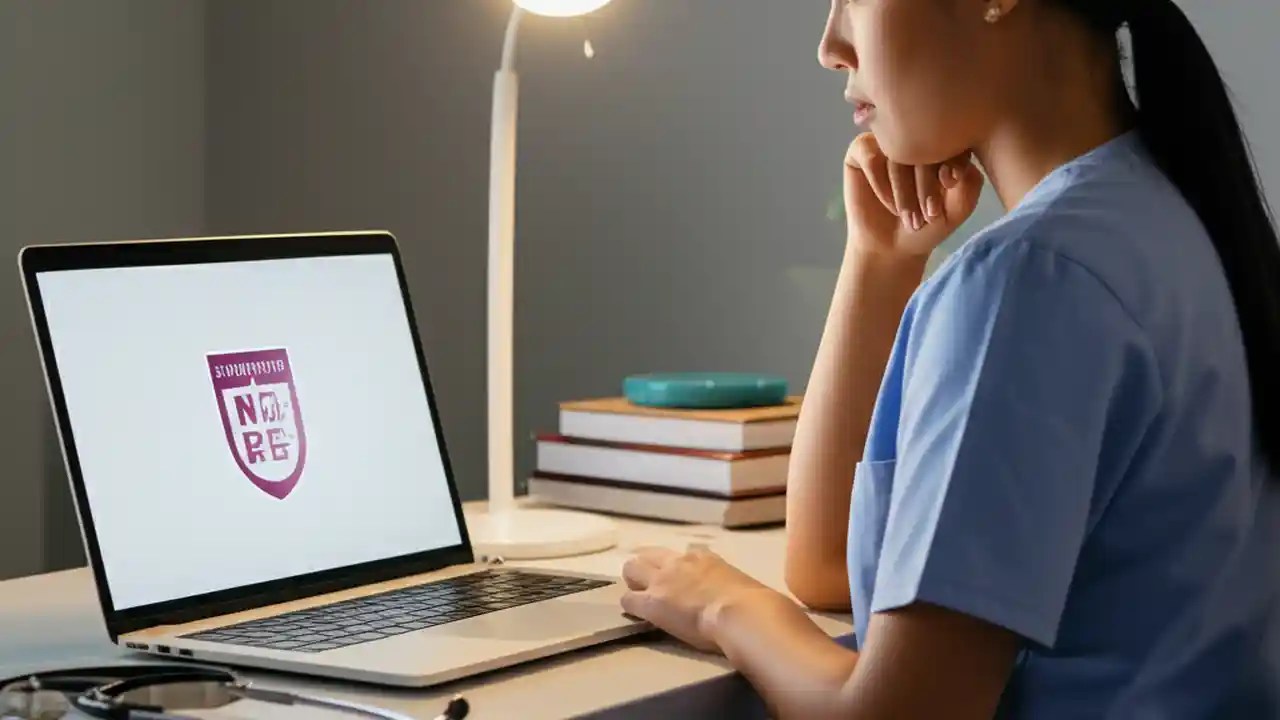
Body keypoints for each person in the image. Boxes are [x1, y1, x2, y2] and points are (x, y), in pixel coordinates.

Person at [618, 0, 1280, 717]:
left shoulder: (1030, 280)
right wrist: (878, 261)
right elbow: (829, 568)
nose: (830, 46)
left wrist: (726, 607)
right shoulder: (1165, 211)